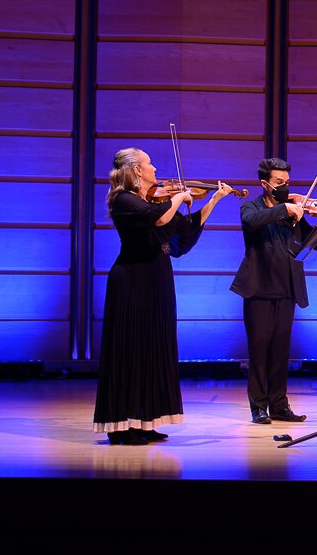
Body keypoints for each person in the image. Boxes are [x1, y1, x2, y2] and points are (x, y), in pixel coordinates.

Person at [93, 148, 232, 445]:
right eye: (150, 164)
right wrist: (178, 198)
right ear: (136, 171)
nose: (156, 169)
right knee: (130, 349)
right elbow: (156, 219)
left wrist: (213, 200)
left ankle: (145, 420)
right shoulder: (124, 200)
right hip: (132, 281)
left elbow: (185, 230)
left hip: (156, 279)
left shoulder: (153, 201)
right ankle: (121, 427)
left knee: (154, 348)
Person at [231, 157, 317, 424]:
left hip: (287, 288)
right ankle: (258, 407)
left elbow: (315, 243)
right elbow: (252, 221)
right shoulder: (252, 206)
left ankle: (279, 405)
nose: (285, 186)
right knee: (259, 350)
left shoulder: (295, 212)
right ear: (265, 184)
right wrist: (285, 208)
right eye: (279, 182)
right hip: (258, 288)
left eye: (287, 182)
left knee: (281, 351)